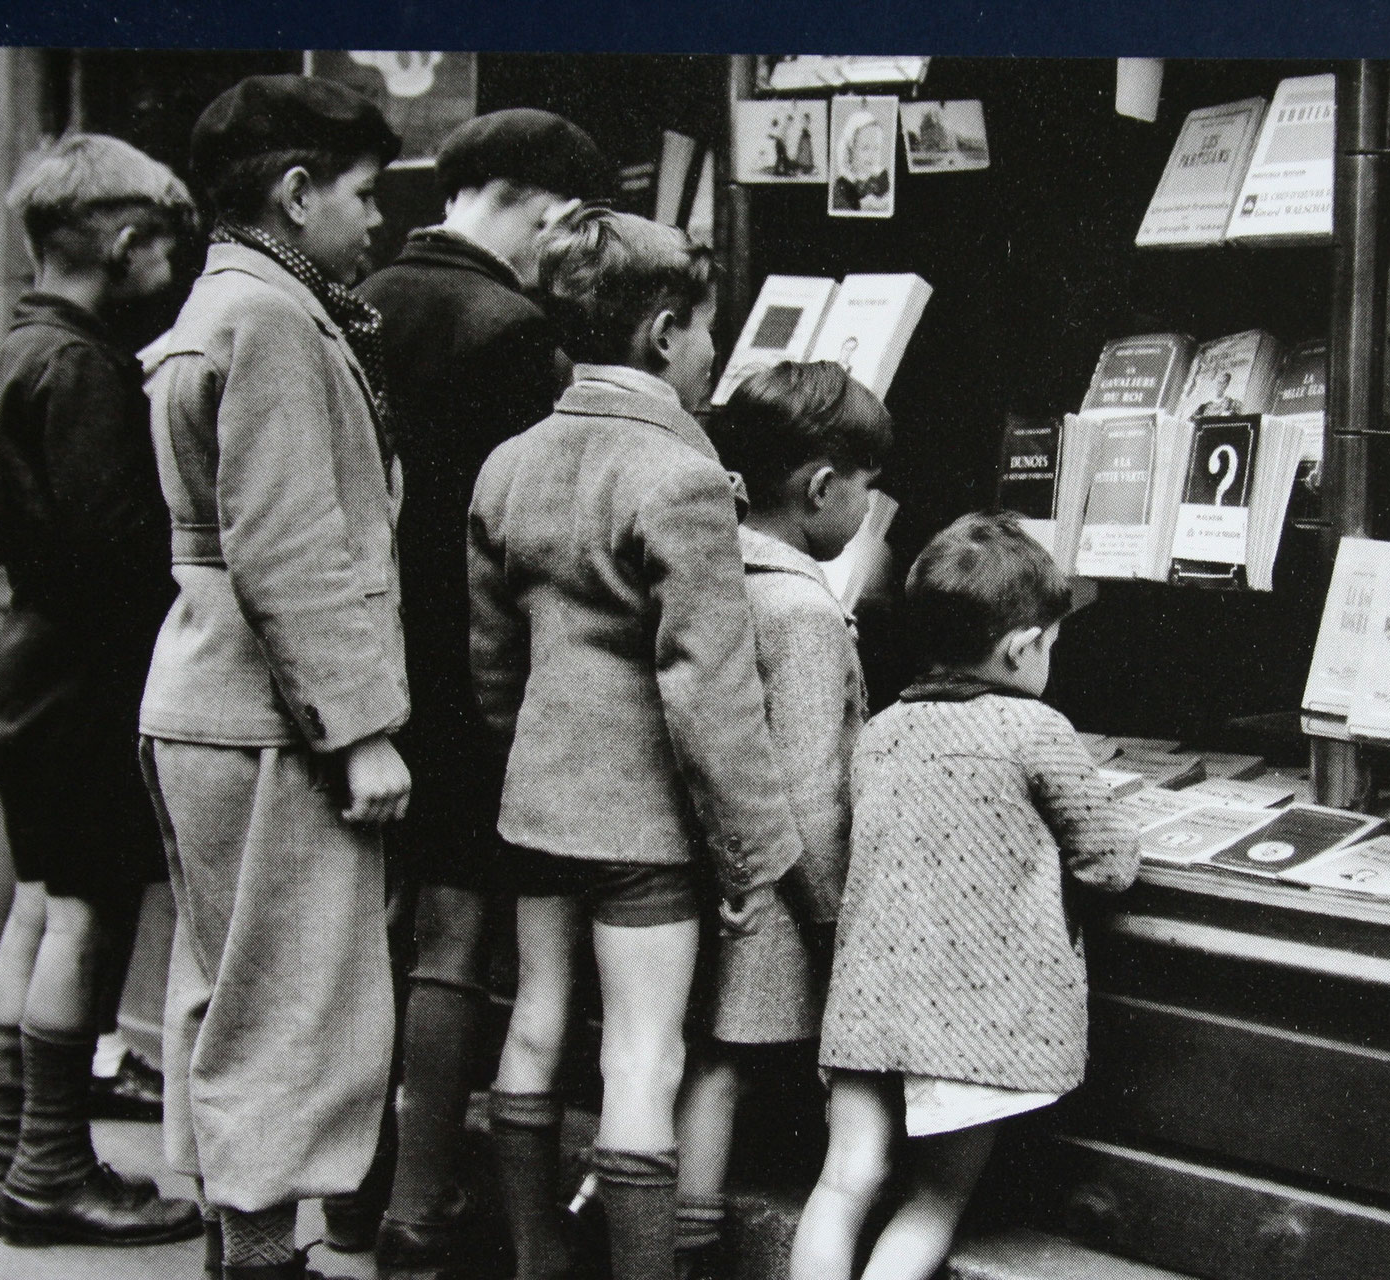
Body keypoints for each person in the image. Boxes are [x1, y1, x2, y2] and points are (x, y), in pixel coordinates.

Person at [468, 208, 805, 1280]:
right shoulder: (680, 477)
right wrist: (764, 853)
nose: (715, 352)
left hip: (536, 798)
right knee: (641, 1056)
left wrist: (527, 751)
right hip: (643, 822)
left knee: (535, 1022)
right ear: (665, 332)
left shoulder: (509, 463)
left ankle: (534, 1262)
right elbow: (711, 694)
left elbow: (492, 667)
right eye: (709, 329)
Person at [138, 75, 411, 1280]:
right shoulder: (275, 321)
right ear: (297, 195)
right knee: (287, 1002)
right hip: (271, 717)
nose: (376, 223)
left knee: (225, 986)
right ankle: (260, 1260)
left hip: (212, 693)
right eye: (362, 195)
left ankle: (236, 1246)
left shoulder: (230, 303)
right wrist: (358, 729)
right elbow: (290, 541)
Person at [355, 107, 609, 1280]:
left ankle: (358, 1188)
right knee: (456, 936)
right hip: (467, 670)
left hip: (364, 669)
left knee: (377, 931)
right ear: (549, 211)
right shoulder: (509, 329)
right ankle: (419, 1205)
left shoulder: (364, 297)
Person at [0, 132, 203, 1250]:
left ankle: (7, 1159)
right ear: (123, 241)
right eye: (166, 244)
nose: (177, 266)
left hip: (24, 658)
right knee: (86, 919)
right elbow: (122, 550)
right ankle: (54, 1167)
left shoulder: (23, 346)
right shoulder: (88, 368)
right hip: (83, 673)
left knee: (36, 903)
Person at [790, 513, 1140, 1280]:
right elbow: (1110, 864)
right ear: (1022, 647)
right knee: (933, 1201)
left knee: (843, 1182)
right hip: (973, 1025)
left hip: (869, 1013)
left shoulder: (881, 732)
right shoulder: (1036, 729)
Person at [673, 362, 890, 1279]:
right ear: (821, 487)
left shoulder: (728, 576)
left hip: (731, 870)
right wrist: (835, 911)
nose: (871, 510)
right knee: (729, 1064)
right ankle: (687, 1246)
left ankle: (683, 1235)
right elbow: (807, 783)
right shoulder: (802, 610)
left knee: (718, 1063)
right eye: (869, 490)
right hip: (784, 894)